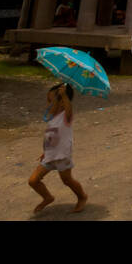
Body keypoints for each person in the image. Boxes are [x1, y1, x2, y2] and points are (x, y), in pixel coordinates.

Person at [28, 82, 87, 214]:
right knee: (33, 181)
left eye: (51, 101)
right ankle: (48, 197)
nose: (48, 104)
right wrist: (45, 151)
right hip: (49, 156)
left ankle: (82, 197)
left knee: (67, 180)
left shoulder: (66, 117)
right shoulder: (52, 118)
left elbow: (69, 108)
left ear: (62, 103)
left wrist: (64, 96)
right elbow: (50, 137)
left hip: (62, 156)